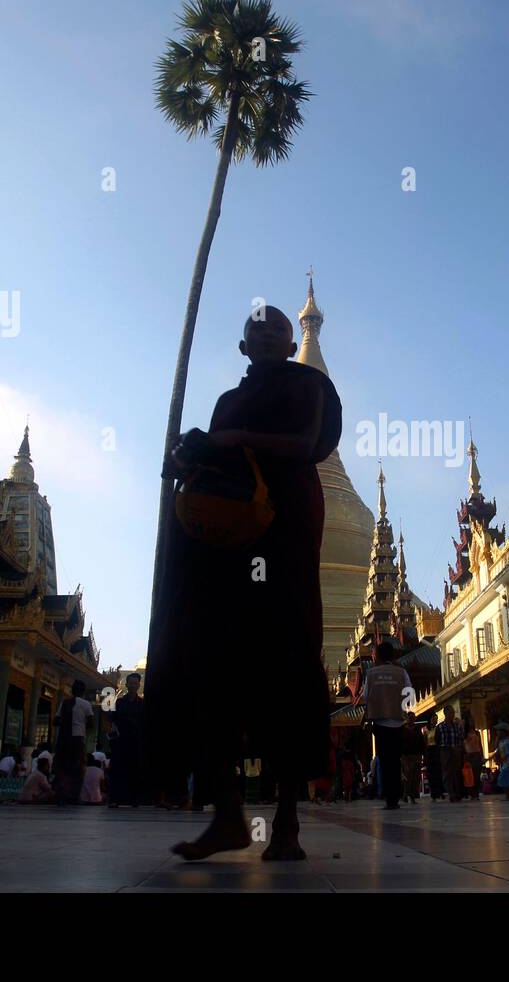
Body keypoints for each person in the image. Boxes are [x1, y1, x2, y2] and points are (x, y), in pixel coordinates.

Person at [151, 305, 342, 861]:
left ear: (290, 344)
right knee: (210, 666)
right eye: (254, 329)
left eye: (275, 329)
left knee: (286, 662)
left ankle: (287, 821)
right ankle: (229, 815)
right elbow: (215, 462)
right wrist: (187, 456)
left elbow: (307, 445)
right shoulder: (227, 402)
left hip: (283, 532)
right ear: (242, 346)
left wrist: (231, 438)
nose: (263, 334)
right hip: (225, 540)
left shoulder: (307, 384)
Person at [363, 640, 412, 810]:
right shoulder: (401, 672)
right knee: (395, 761)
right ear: (392, 655)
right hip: (397, 722)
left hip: (380, 722)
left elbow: (365, 697)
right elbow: (409, 696)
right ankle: (395, 797)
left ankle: (388, 798)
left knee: (384, 761)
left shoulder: (371, 673)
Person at [108, 672, 145, 807]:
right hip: (120, 741)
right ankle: (115, 799)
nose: (133, 685)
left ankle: (134, 799)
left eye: (136, 683)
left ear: (139, 685)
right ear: (126, 684)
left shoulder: (142, 704)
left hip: (136, 741)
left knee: (135, 770)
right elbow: (111, 720)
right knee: (117, 769)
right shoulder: (119, 702)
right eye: (131, 683)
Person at [53, 680, 93, 805]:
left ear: (72, 690)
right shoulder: (86, 704)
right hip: (78, 738)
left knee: (63, 767)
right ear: (83, 692)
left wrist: (66, 723)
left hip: (63, 739)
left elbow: (56, 721)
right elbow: (91, 723)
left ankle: (61, 795)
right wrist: (80, 724)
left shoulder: (65, 703)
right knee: (77, 768)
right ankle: (74, 796)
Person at [436, 705, 465, 802]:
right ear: (445, 713)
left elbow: (461, 737)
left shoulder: (457, 726)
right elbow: (437, 740)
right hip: (445, 750)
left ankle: (458, 793)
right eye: (451, 712)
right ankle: (451, 793)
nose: (452, 715)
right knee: (447, 772)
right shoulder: (440, 727)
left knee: (456, 771)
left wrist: (459, 749)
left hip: (455, 749)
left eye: (453, 712)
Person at [400, 713, 422, 804]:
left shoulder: (417, 729)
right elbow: (400, 743)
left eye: (413, 718)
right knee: (407, 776)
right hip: (407, 756)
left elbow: (421, 742)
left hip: (416, 755)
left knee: (415, 776)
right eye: (410, 718)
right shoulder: (403, 729)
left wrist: (422, 754)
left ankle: (413, 795)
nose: (412, 719)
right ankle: (405, 794)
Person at [423, 714, 444, 800]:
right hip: (429, 752)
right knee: (431, 773)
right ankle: (433, 793)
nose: (435, 721)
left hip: (437, 751)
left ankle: (440, 792)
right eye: (433, 719)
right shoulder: (425, 730)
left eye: (436, 719)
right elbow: (424, 743)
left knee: (438, 773)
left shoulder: (438, 729)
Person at [463, 722, 483, 801]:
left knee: (477, 775)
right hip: (469, 755)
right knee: (470, 775)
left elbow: (480, 745)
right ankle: (472, 793)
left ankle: (476, 794)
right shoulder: (464, 734)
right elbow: (463, 745)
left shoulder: (477, 732)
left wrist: (482, 755)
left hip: (477, 754)